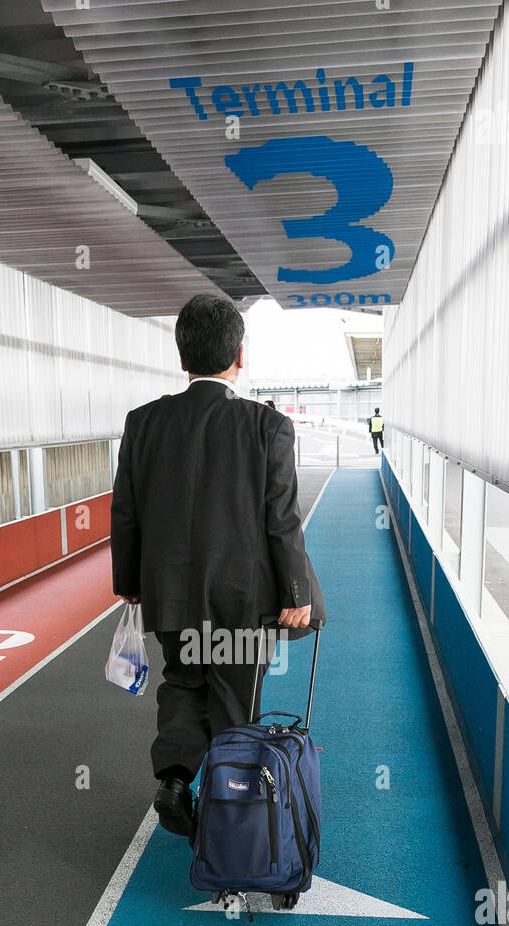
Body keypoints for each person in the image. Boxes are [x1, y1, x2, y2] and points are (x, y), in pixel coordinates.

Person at [111, 293, 325, 838]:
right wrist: (297, 593)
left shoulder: (144, 423)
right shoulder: (267, 427)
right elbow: (281, 521)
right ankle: (233, 822)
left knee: (183, 683)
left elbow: (127, 511)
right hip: (239, 604)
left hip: (171, 597)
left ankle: (175, 781)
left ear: (183, 358)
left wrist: (131, 584)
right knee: (234, 698)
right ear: (240, 357)